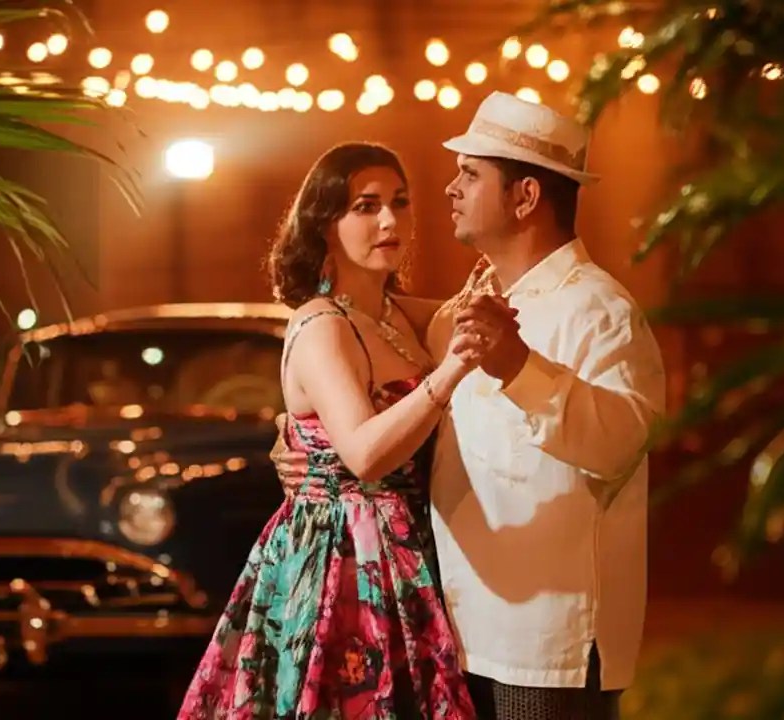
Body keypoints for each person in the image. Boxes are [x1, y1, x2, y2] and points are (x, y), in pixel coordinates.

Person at [275, 92, 667, 719]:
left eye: (470, 173)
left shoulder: (596, 311)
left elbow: (619, 442)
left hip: (542, 644)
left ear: (526, 197)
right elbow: (363, 368)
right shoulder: (473, 303)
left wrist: (519, 367)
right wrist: (304, 440)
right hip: (450, 628)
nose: (449, 189)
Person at [177, 142, 481, 719]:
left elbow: (481, 309)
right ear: (324, 223)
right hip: (343, 561)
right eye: (365, 207)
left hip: (408, 550)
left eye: (399, 202)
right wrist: (450, 373)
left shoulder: (393, 316)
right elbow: (365, 454)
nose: (389, 220)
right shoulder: (320, 325)